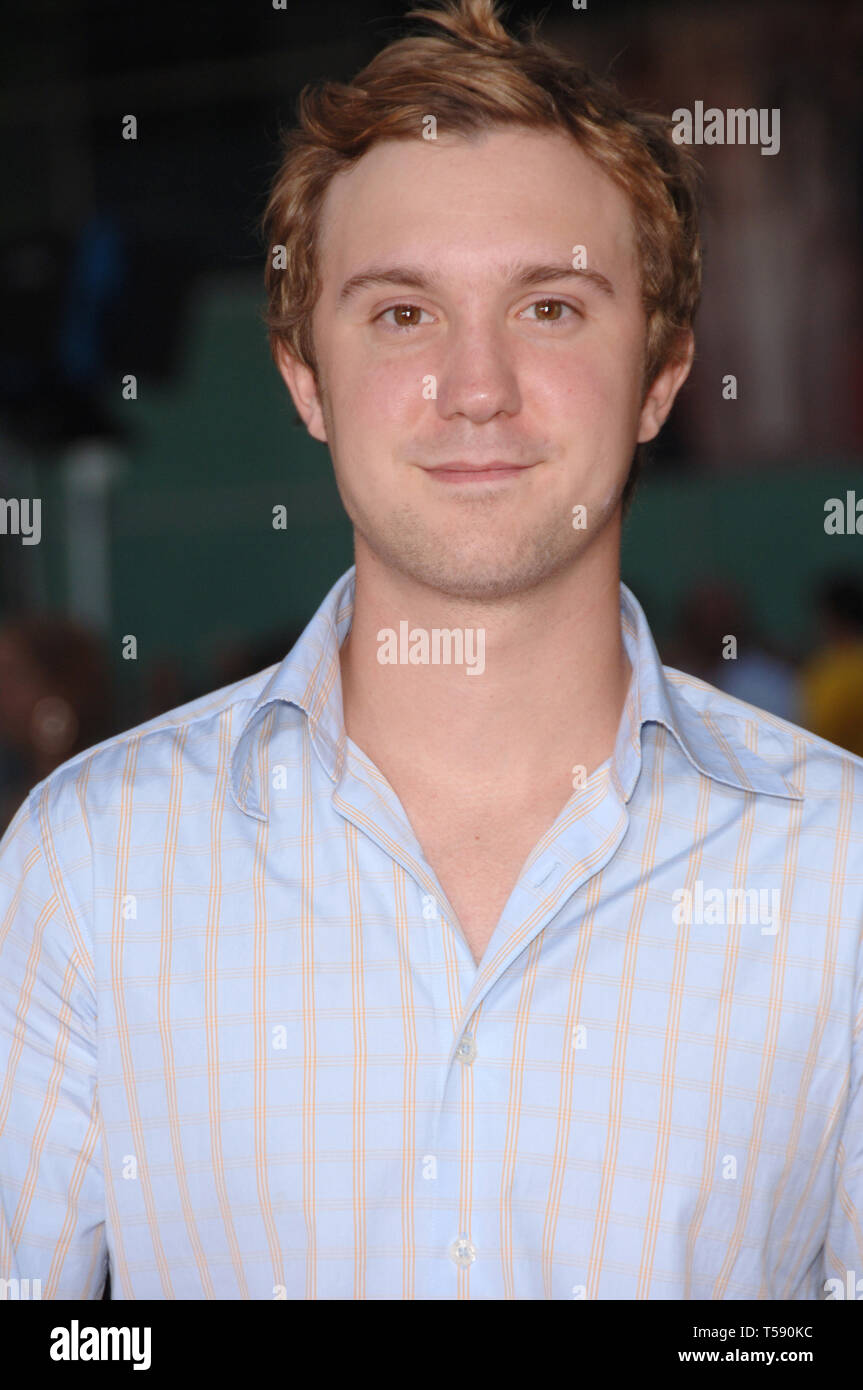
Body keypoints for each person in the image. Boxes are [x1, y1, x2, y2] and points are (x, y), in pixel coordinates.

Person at [1, 0, 860, 1302]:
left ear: (663, 372)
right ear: (304, 374)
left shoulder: (840, 874)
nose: (477, 386)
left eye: (553, 308)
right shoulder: (85, 866)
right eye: (402, 314)